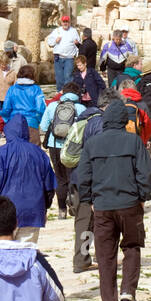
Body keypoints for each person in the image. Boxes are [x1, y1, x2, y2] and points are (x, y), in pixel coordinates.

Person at [73, 98, 151, 301]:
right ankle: (128, 290)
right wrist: (143, 196)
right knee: (132, 246)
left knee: (105, 255)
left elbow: (83, 176)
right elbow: (145, 172)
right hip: (129, 204)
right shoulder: (134, 141)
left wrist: (89, 200)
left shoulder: (92, 144)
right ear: (123, 121)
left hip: (102, 207)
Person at [0, 113, 56, 243]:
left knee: (3, 256)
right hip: (32, 213)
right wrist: (44, 208)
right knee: (26, 255)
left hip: (4, 215)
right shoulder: (40, 154)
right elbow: (49, 189)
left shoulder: (0, 154)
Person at [62, 89, 112, 273]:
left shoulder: (84, 117)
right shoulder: (99, 123)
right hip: (88, 179)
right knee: (86, 222)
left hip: (77, 175)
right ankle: (81, 260)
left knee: (85, 221)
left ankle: (87, 257)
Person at [39, 80, 84, 219]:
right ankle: (75, 207)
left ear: (63, 93)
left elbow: (43, 126)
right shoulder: (81, 108)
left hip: (55, 145)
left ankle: (62, 210)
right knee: (73, 176)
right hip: (74, 146)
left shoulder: (53, 106)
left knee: (60, 178)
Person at [1, 64, 48, 145]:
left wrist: (8, 120)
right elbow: (40, 108)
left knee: (14, 150)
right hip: (31, 123)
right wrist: (37, 120)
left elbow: (6, 108)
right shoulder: (36, 89)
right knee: (33, 151)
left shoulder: (12, 89)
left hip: (14, 122)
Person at [114, 66, 151, 146]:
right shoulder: (142, 104)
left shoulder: (116, 104)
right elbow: (148, 126)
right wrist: (147, 140)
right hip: (139, 142)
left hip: (121, 143)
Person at [46, 14, 81, 92]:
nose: (65, 23)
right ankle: (59, 93)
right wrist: (56, 41)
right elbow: (50, 43)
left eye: (67, 22)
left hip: (69, 58)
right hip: (58, 57)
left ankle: (67, 93)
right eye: (64, 22)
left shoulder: (73, 31)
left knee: (68, 76)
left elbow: (78, 43)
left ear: (69, 22)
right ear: (61, 22)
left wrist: (77, 46)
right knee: (59, 77)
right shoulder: (57, 31)